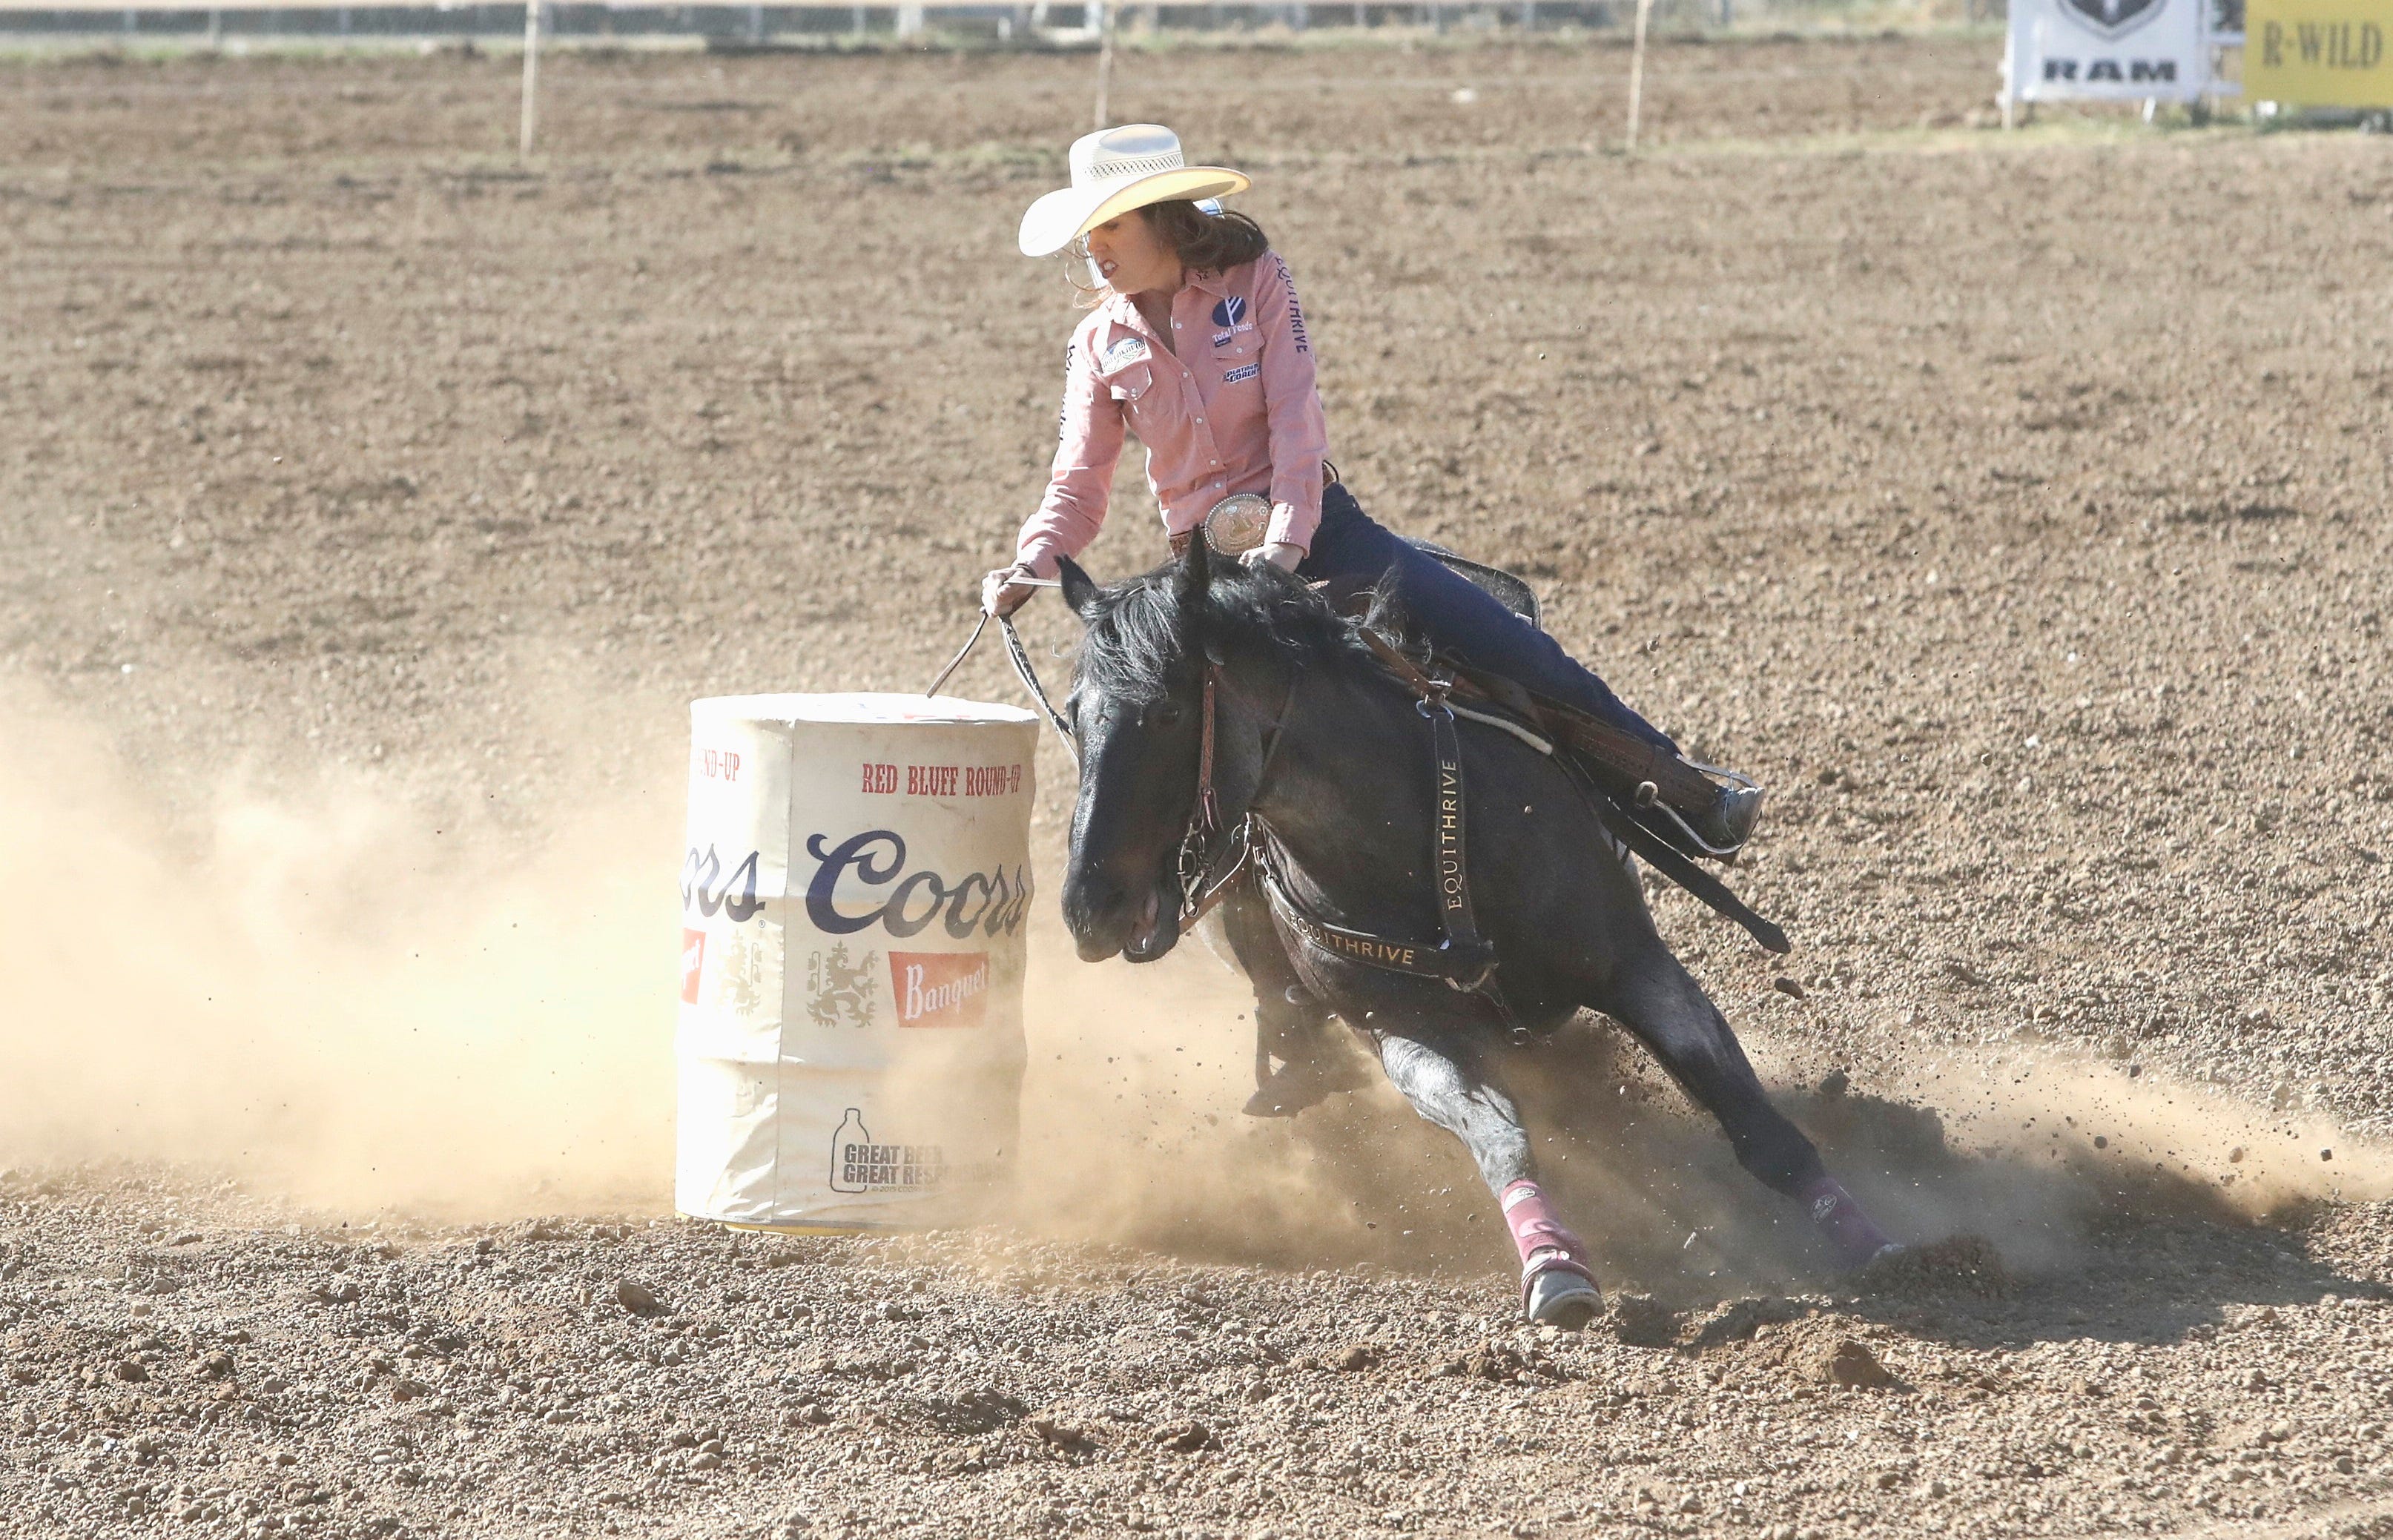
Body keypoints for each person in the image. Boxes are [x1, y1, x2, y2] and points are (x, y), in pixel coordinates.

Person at [983, 122, 1762, 858]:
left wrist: (1285, 543)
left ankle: (1682, 796)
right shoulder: (1096, 343)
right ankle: (1142, 901)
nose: (1093, 246)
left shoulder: (1253, 280)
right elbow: (1077, 482)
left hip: (1323, 537)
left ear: (1159, 219)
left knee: (1507, 647)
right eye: (1090, 231)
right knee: (1131, 729)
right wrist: (1033, 564)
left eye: (1108, 226)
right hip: (1206, 579)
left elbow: (1295, 417)